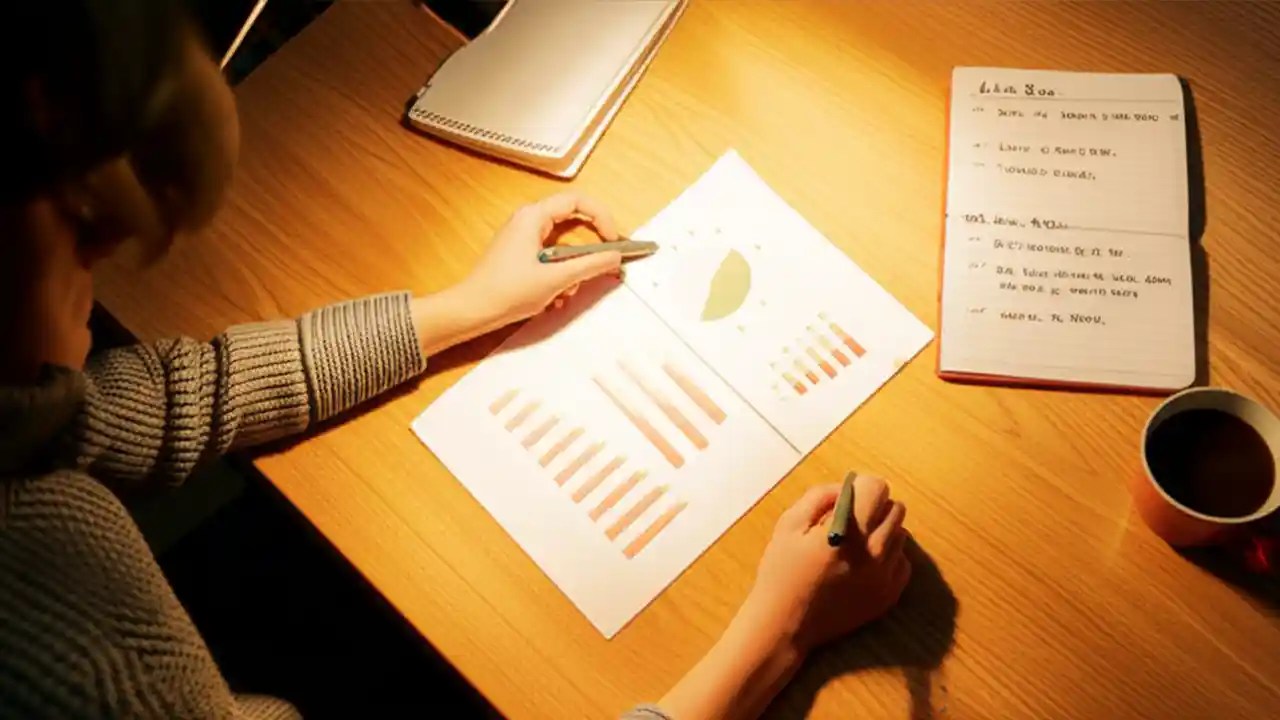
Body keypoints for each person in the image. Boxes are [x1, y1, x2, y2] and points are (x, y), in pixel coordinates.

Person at [0, 2, 910, 717]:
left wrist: (464, 309)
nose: (111, 249)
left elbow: (157, 403)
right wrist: (780, 631)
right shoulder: (65, 654)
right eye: (79, 235)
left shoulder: (18, 410)